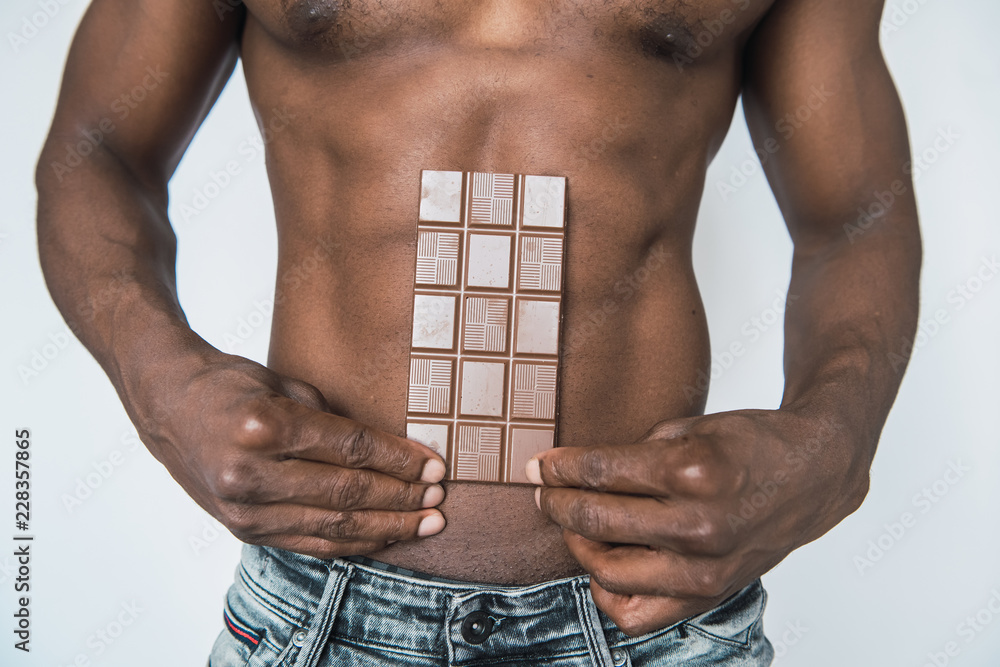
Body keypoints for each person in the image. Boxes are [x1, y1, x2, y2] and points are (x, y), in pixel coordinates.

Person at [35, 0, 921, 665]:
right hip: (317, 610)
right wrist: (162, 385)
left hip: (652, 616)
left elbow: (853, 214)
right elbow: (97, 151)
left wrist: (835, 442)